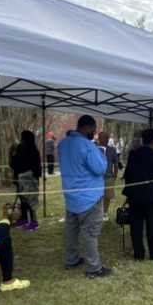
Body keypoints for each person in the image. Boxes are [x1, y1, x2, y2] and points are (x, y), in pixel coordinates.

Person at [58, 115, 110, 279]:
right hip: (89, 197)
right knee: (90, 233)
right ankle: (94, 268)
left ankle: (71, 259)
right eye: (93, 130)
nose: (94, 133)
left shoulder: (63, 144)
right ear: (88, 128)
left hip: (71, 196)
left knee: (72, 231)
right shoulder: (88, 146)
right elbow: (100, 168)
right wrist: (101, 151)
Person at [121, 129, 153, 261]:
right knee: (152, 225)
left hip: (135, 195)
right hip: (151, 196)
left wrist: (128, 193)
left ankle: (138, 254)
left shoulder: (133, 154)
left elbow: (128, 174)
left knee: (136, 225)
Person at [11, 130, 41, 231]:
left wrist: (13, 154)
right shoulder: (28, 149)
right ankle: (24, 219)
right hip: (24, 178)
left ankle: (33, 222)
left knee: (30, 201)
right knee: (24, 200)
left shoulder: (27, 150)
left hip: (28, 179)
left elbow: (15, 163)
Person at [97, 131, 119, 220]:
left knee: (107, 196)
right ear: (99, 139)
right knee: (97, 196)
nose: (104, 140)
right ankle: (97, 212)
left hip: (108, 177)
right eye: (102, 138)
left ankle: (105, 213)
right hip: (96, 177)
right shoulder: (94, 149)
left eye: (106, 138)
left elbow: (116, 164)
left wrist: (115, 175)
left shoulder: (112, 150)